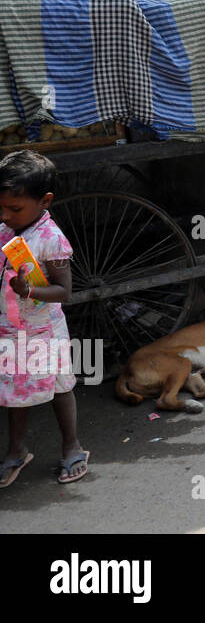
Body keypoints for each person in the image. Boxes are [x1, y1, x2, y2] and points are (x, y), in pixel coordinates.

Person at [0, 150, 87, 487]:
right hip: (10, 328)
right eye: (1, 207)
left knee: (60, 388)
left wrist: (29, 291)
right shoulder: (6, 228)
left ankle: (72, 447)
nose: (5, 215)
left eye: (14, 208)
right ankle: (16, 451)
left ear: (45, 201)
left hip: (44, 332)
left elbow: (64, 292)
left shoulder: (51, 240)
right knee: (14, 392)